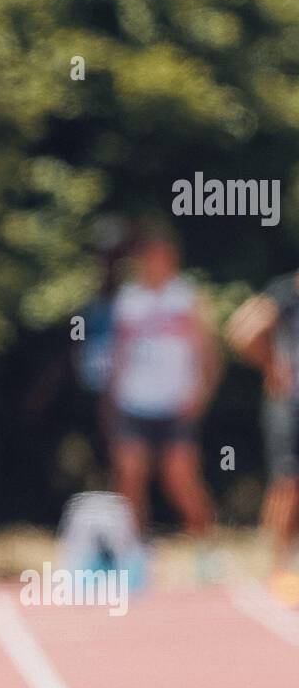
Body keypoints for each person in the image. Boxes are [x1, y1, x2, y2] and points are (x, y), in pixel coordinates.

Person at [108, 223, 219, 545]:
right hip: (134, 401)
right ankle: (134, 551)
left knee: (180, 479)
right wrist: (113, 398)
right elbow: (119, 353)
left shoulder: (185, 297)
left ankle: (204, 546)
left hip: (175, 402)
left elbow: (209, 354)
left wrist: (200, 393)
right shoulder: (128, 299)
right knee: (129, 477)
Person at [226, 274, 299, 597]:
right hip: (290, 403)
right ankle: (278, 569)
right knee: (288, 483)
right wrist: (271, 365)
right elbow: (241, 331)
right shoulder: (285, 293)